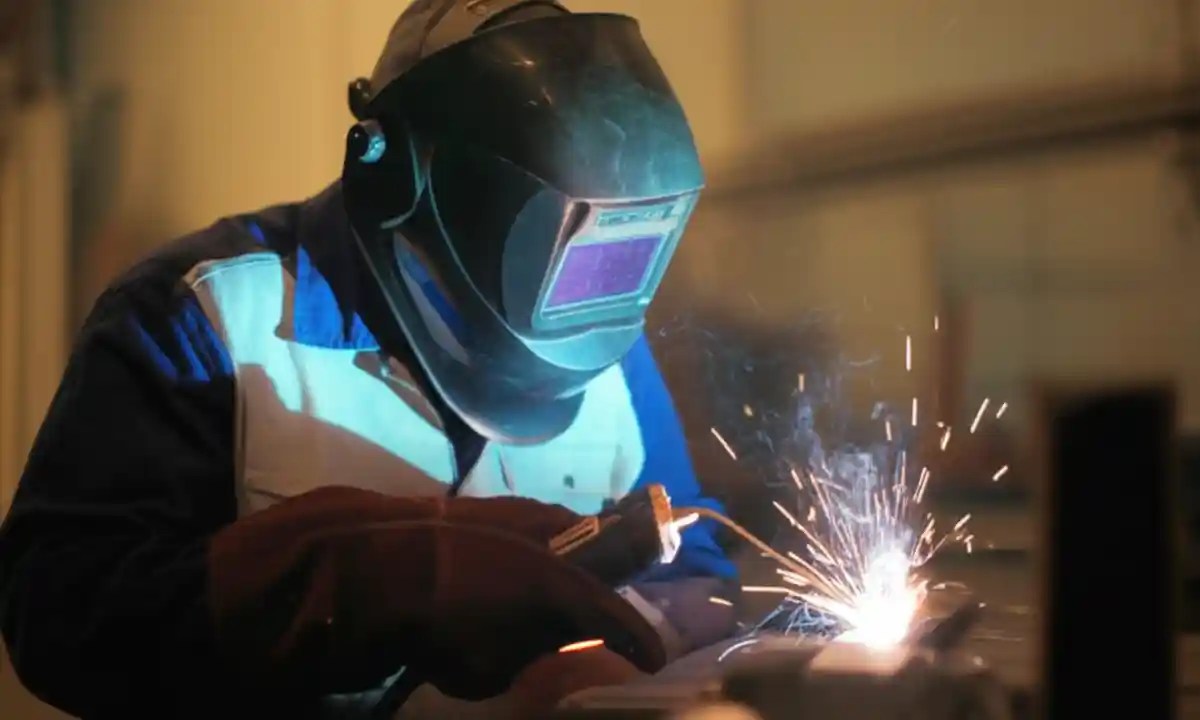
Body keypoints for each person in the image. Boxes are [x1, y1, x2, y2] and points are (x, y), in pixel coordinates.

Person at [0, 1, 739, 717]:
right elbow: (58, 614)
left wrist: (590, 654)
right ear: (400, 182)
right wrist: (364, 589)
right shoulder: (204, 317)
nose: (583, 294)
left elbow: (702, 574)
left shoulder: (605, 343)